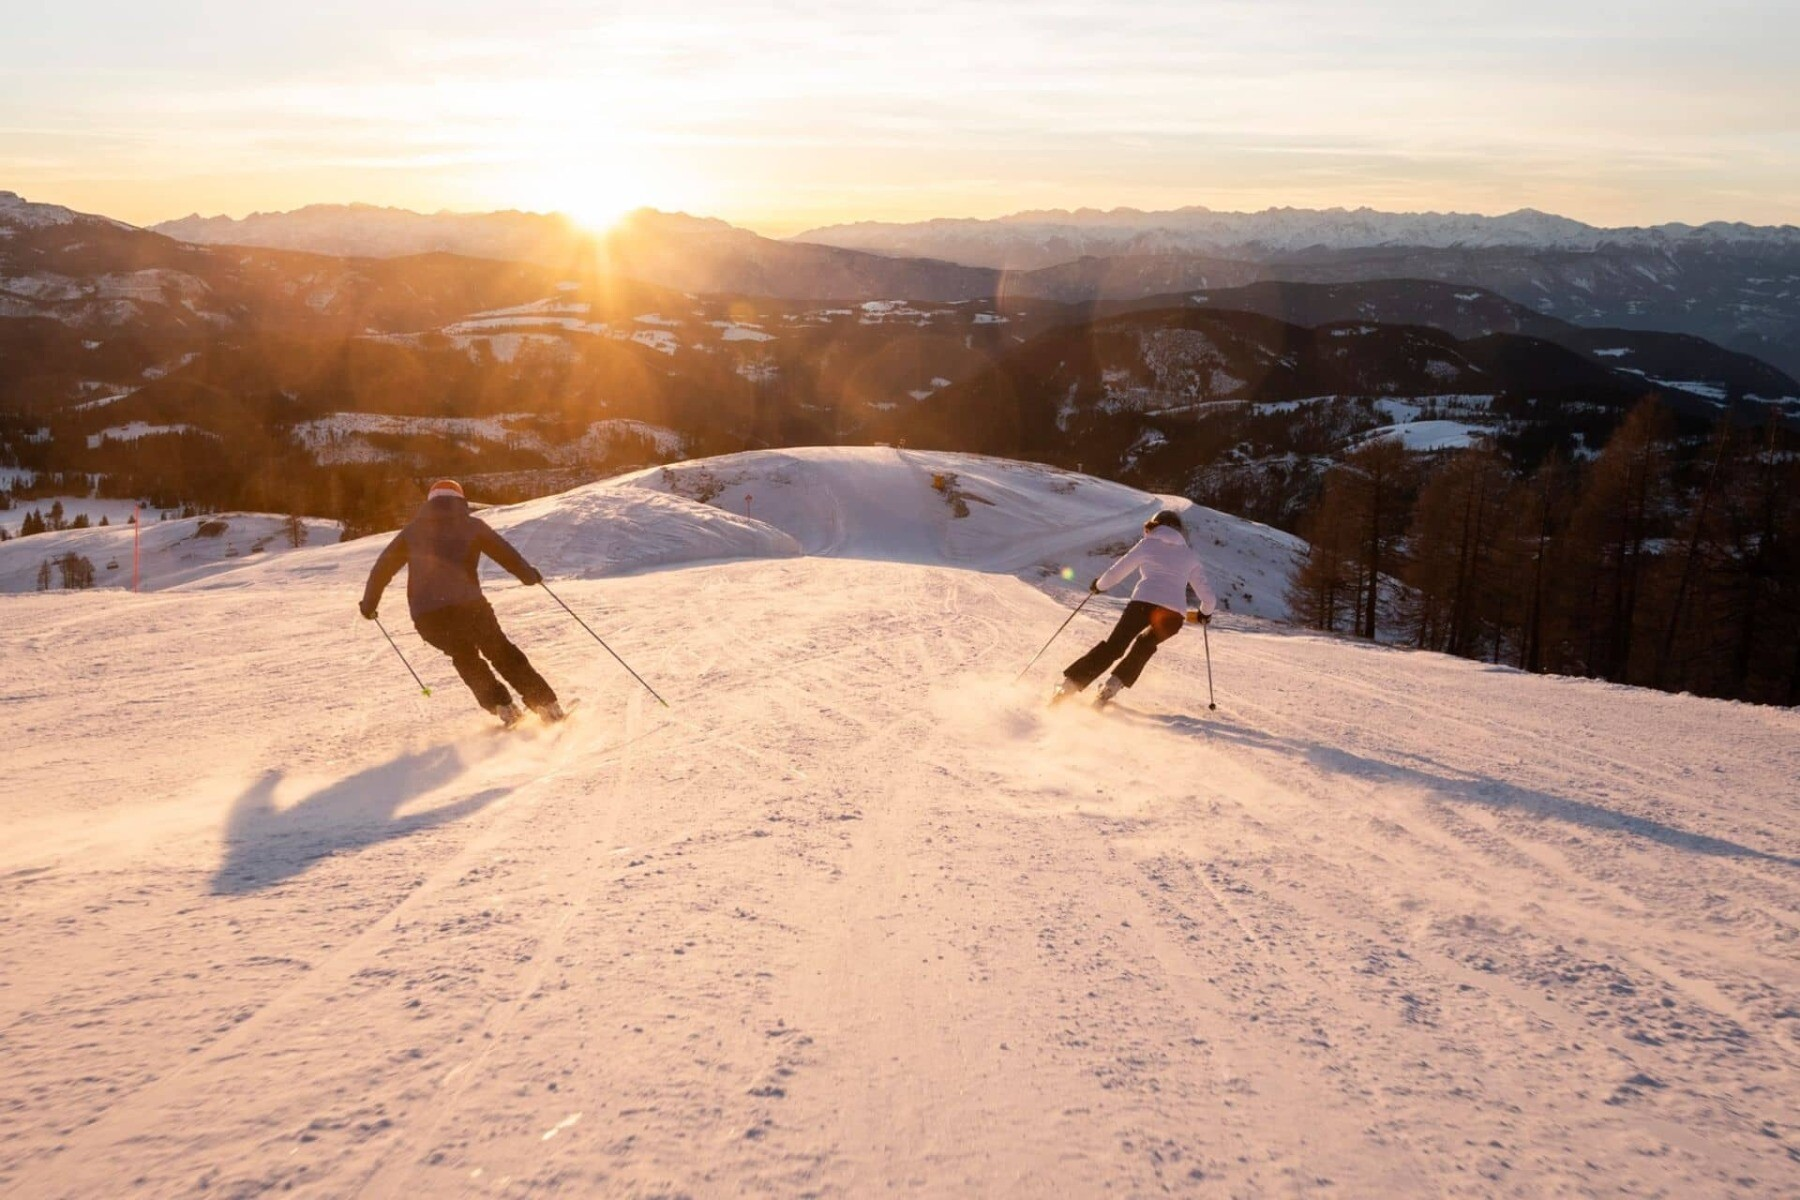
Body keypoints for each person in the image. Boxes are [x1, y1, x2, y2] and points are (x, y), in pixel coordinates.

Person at [359, 480, 565, 724]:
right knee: (500, 651)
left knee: (464, 657)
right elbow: (505, 554)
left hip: (428, 617)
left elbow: (382, 569)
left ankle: (503, 707)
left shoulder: (412, 532)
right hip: (470, 607)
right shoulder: (472, 526)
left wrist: (369, 605)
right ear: (460, 499)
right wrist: (528, 576)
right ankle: (545, 704)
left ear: (430, 502)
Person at [1053, 510, 1216, 708]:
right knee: (1144, 646)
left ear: (1155, 525)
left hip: (1142, 604)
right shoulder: (1190, 556)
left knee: (1115, 646)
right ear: (1180, 530)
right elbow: (1209, 599)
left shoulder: (1148, 544)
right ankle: (1110, 688)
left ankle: (1069, 686)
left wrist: (1099, 586)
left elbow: (1117, 571)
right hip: (1174, 615)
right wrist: (1204, 614)